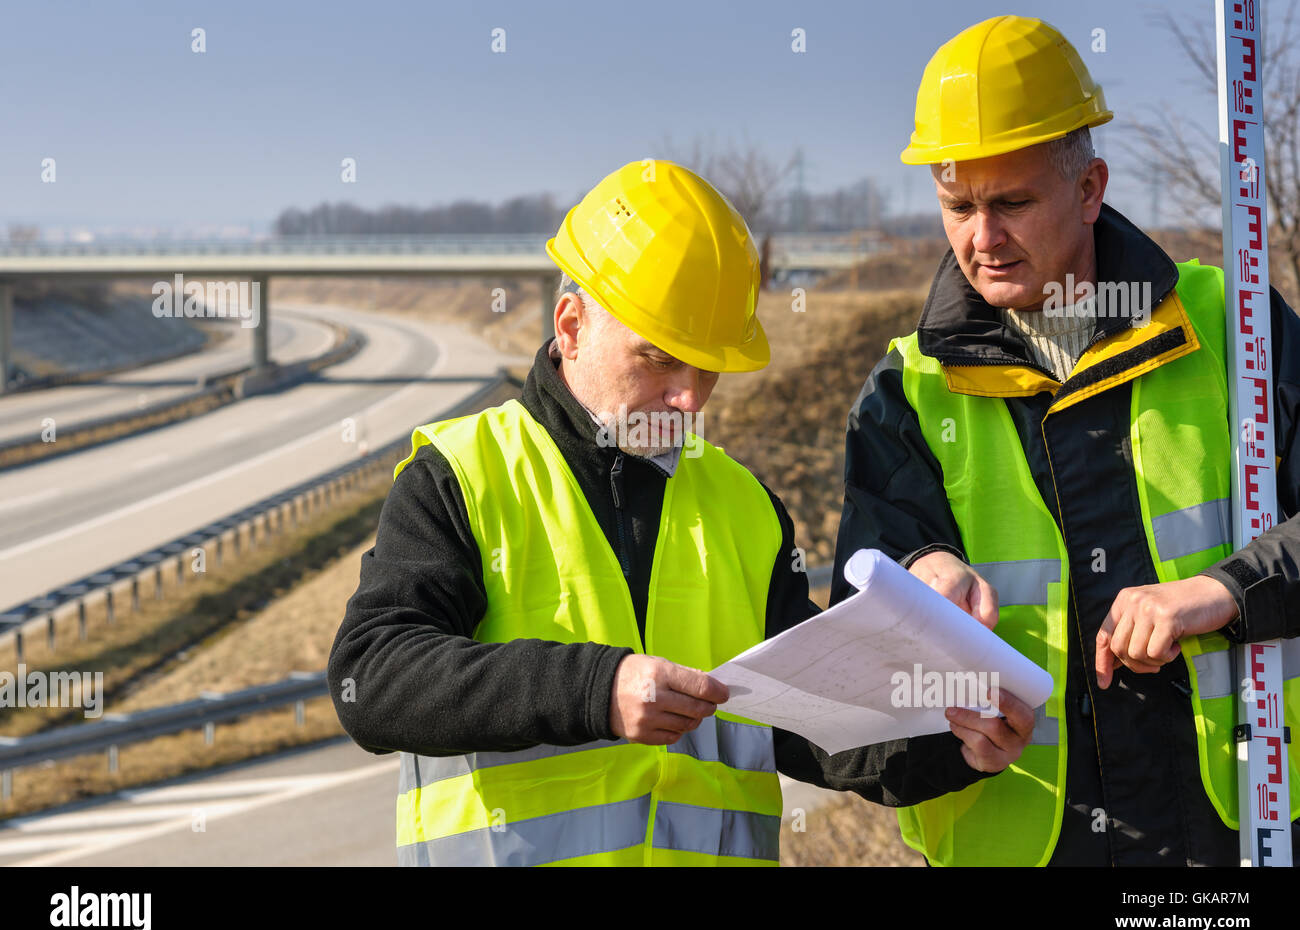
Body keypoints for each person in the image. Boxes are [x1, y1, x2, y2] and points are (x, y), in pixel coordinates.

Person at [328, 159, 1034, 866]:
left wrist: (953, 743)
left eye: (709, 368)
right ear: (571, 326)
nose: (690, 400)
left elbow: (812, 724)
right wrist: (595, 689)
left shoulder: (745, 508)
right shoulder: (462, 476)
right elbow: (374, 679)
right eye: (661, 361)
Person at [832, 14, 1300, 866]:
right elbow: (856, 712)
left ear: (1090, 189)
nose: (982, 238)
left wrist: (1227, 590)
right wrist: (921, 577)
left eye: (1011, 202)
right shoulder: (908, 392)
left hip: (1227, 849)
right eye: (958, 206)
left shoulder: (1235, 329)